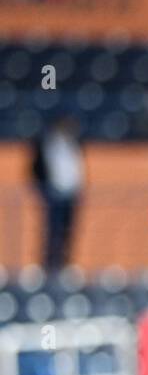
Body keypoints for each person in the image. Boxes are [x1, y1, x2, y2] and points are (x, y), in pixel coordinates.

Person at [30, 115, 85, 270]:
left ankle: (64, 263)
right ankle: (49, 264)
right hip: (53, 194)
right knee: (52, 230)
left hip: (71, 194)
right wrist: (43, 189)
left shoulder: (74, 143)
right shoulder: (46, 143)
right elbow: (36, 169)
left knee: (68, 231)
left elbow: (78, 167)